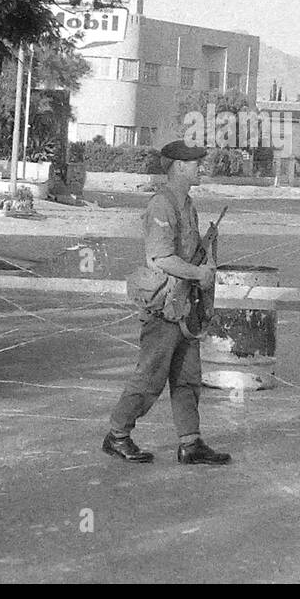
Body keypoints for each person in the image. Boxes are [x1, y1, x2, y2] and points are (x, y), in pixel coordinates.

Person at [102, 140, 232, 466]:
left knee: (188, 378)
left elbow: (187, 253)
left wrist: (206, 256)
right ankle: (117, 435)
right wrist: (199, 273)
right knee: (150, 378)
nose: (201, 167)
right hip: (164, 307)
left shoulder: (188, 205)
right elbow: (162, 258)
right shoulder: (163, 205)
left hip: (185, 306)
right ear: (178, 166)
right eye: (195, 163)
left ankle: (191, 443)